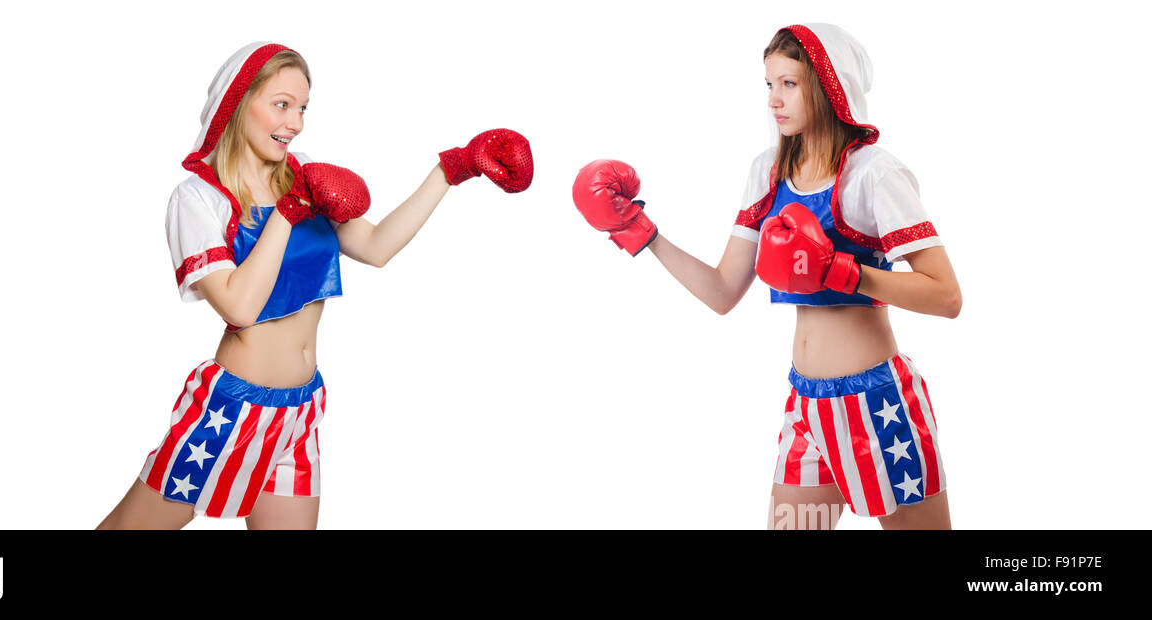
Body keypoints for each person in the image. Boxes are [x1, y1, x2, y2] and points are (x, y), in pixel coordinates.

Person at [97, 42, 533, 530]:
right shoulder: (199, 196)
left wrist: (451, 170)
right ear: (239, 103)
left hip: (301, 410)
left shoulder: (300, 171)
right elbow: (240, 305)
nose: (296, 122)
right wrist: (287, 211)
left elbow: (375, 247)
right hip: (232, 411)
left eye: (302, 108)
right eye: (282, 104)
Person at [571, 24, 959, 529]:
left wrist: (842, 271)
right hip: (806, 406)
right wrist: (642, 234)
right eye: (769, 85)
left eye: (789, 84)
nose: (774, 100)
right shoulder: (768, 172)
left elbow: (946, 296)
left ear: (828, 87)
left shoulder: (873, 174)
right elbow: (723, 291)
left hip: (878, 405)